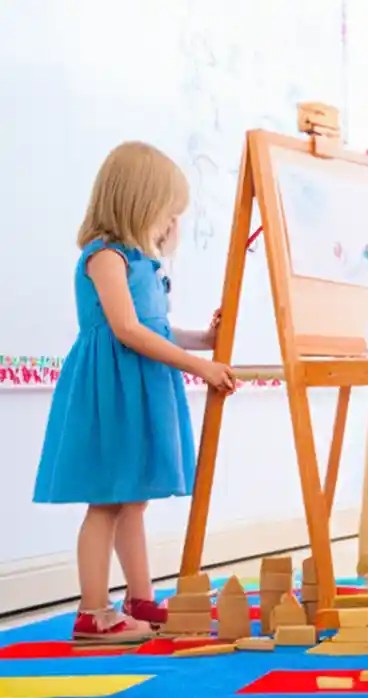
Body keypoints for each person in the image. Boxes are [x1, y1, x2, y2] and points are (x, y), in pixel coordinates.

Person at [33, 142, 236, 643]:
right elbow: (126, 329)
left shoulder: (143, 264)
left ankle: (139, 598)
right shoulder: (105, 256)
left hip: (137, 384)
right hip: (112, 388)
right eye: (169, 211)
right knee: (106, 501)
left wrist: (202, 340)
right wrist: (198, 365)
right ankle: (92, 612)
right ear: (140, 203)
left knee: (133, 499)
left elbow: (157, 327)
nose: (172, 223)